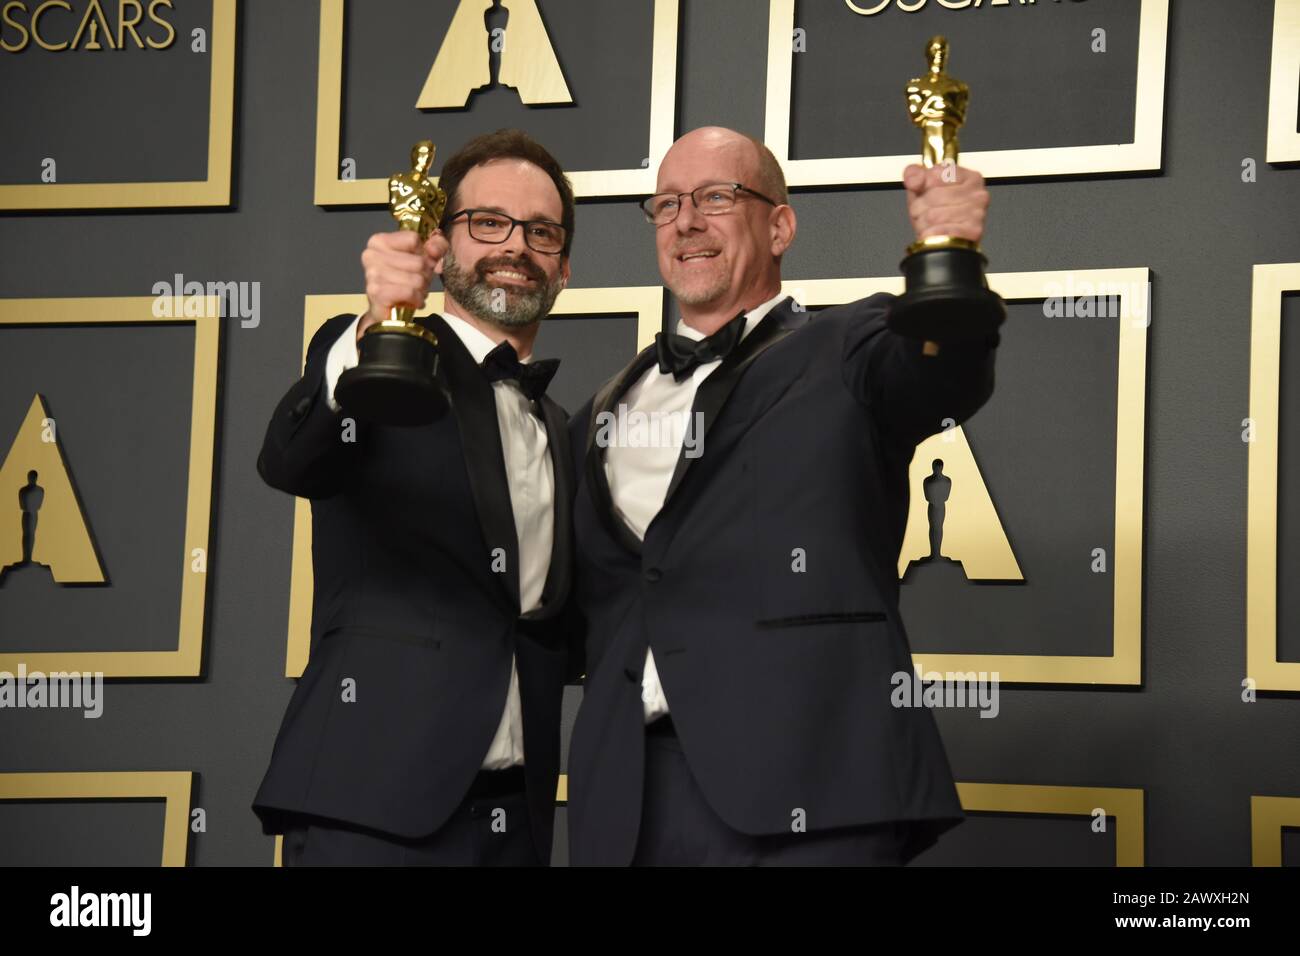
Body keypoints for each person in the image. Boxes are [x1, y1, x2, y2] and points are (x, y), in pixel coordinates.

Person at [566, 126, 998, 866]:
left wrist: (948, 256)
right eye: (666, 203)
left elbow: (944, 374)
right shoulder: (601, 409)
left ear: (780, 225)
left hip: (813, 787)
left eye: (716, 197)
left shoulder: (853, 348)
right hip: (630, 802)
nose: (686, 221)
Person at [252, 129, 577, 866]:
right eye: (488, 223)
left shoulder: (559, 426)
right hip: (370, 806)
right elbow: (290, 460)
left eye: (541, 231)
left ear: (565, 266)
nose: (515, 246)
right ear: (440, 245)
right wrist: (377, 326)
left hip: (515, 821)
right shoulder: (379, 364)